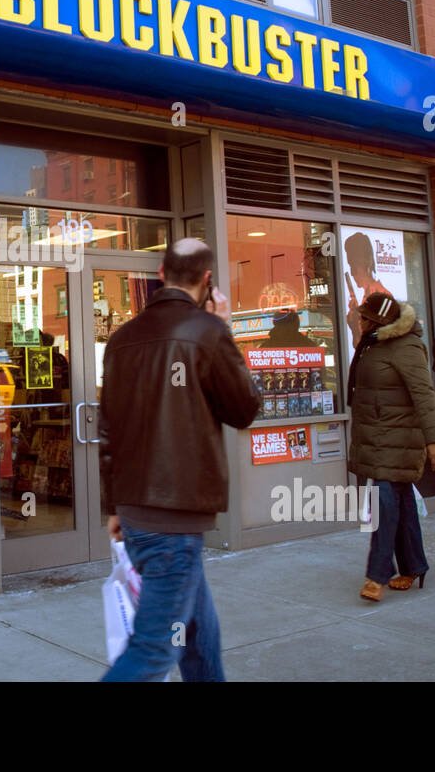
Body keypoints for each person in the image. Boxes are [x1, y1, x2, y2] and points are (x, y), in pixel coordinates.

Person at [98, 237, 261, 681]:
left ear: (161, 275)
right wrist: (225, 328)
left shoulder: (121, 340)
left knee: (197, 639)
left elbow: (107, 433)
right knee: (154, 651)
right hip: (175, 521)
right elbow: (244, 409)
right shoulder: (209, 333)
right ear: (208, 280)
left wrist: (114, 505)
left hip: (141, 514)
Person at [347, 293, 435, 601]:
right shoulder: (372, 343)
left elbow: (423, 394)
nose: (360, 321)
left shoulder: (406, 347)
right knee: (401, 502)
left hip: (399, 437)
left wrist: (434, 440)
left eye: (365, 317)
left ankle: (376, 576)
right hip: (377, 434)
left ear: (379, 321)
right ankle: (414, 565)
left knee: (383, 502)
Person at [343, 232, 392, 351]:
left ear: (367, 263)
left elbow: (380, 338)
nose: (353, 273)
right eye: (351, 267)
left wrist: (356, 321)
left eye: (355, 266)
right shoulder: (367, 296)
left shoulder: (381, 295)